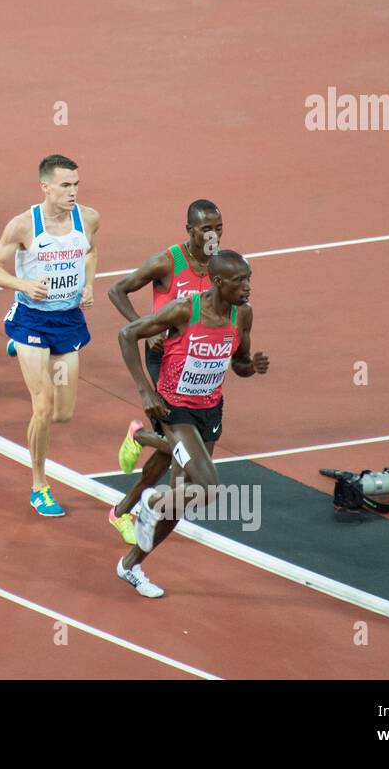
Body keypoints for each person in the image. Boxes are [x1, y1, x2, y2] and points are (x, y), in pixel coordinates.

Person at [114, 250, 270, 598]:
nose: (247, 287)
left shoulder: (242, 314)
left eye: (249, 279)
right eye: (239, 281)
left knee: (179, 504)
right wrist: (145, 391)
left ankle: (129, 565)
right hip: (175, 410)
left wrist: (251, 367)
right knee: (209, 486)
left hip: (210, 411)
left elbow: (239, 362)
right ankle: (149, 504)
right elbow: (127, 335)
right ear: (217, 282)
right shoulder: (186, 309)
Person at [0, 155, 99, 516]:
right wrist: (25, 285)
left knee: (63, 413)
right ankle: (39, 486)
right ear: (45, 187)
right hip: (31, 321)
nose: (73, 192)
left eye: (76, 184)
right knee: (43, 408)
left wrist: (89, 284)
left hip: (67, 321)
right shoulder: (23, 226)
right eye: (65, 185)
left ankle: (19, 347)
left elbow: (91, 251)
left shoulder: (88, 219)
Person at [105, 199, 223, 544]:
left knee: (176, 448)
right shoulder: (167, 261)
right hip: (164, 361)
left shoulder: (220, 266)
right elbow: (117, 290)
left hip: (196, 369)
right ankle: (138, 452)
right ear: (189, 230)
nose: (213, 234)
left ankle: (123, 508)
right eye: (206, 228)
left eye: (218, 227)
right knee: (180, 446)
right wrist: (146, 327)